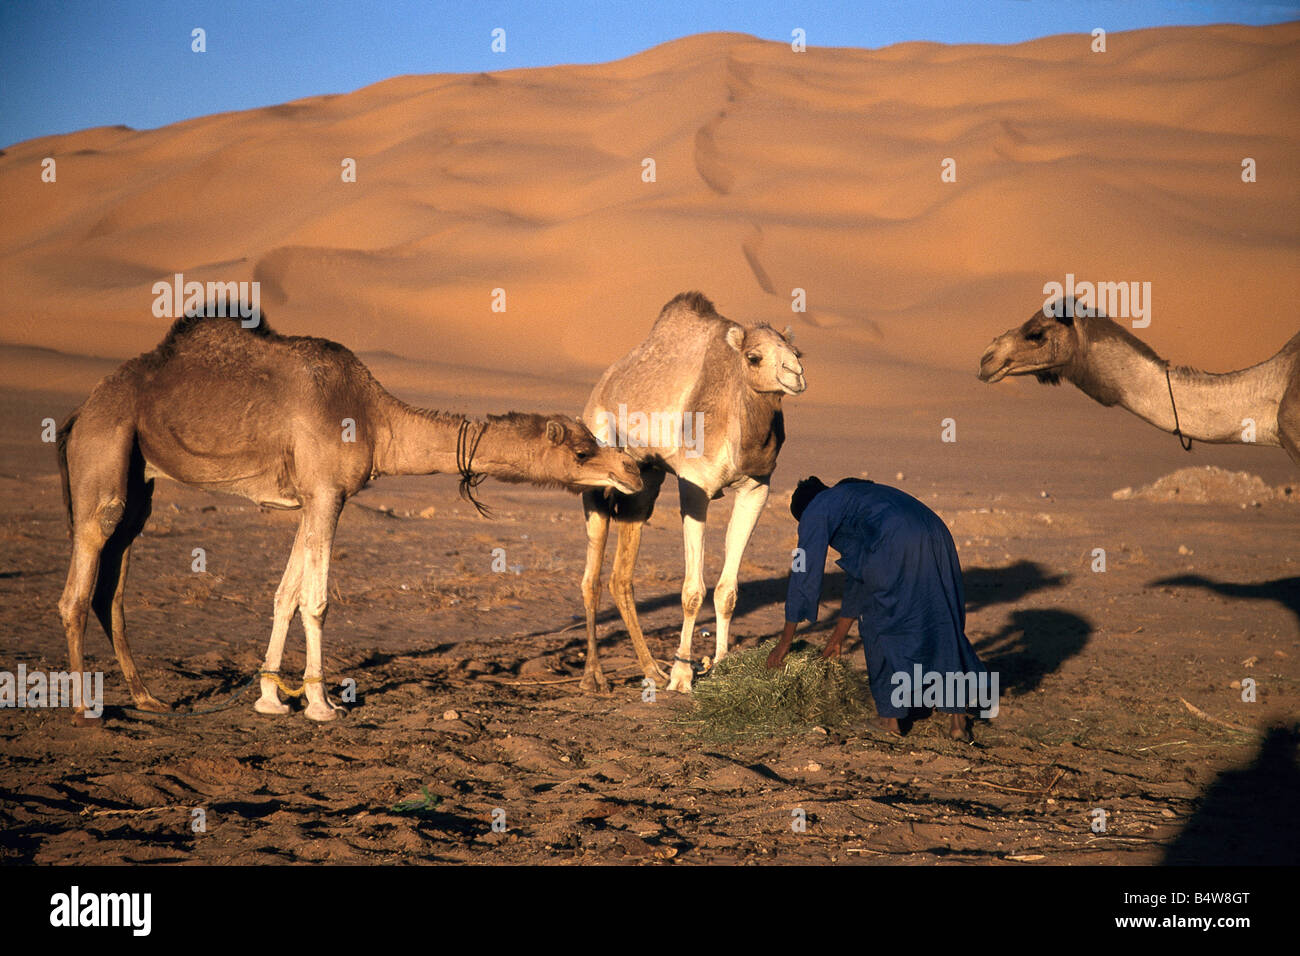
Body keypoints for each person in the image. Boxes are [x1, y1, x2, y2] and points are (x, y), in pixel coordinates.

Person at [766, 476, 989, 741]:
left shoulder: (816, 508)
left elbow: (803, 571)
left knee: (875, 622)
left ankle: (890, 720)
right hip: (936, 533)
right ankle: (957, 723)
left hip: (897, 540)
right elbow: (860, 577)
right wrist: (837, 638)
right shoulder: (854, 497)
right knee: (943, 621)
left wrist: (785, 642)